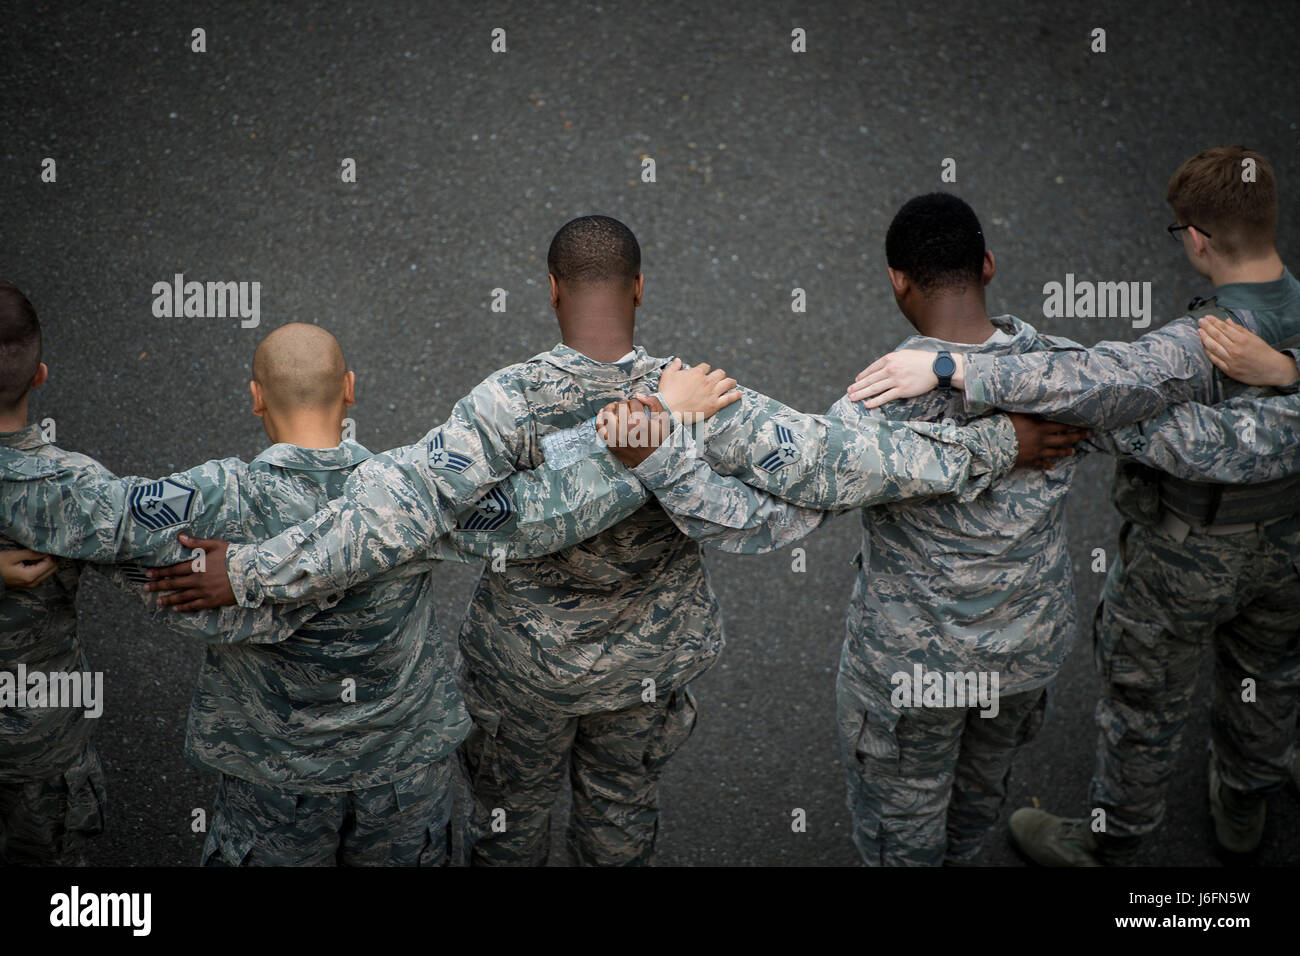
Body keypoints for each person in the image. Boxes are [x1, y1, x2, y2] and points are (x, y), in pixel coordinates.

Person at [147, 215, 1046, 865]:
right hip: (645, 676)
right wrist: (1004, 440)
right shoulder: (698, 394)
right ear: (641, 290)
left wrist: (251, 574)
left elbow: (404, 506)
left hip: (521, 677)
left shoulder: (504, 403)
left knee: (507, 827)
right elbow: (833, 464)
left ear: (549, 292)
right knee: (620, 826)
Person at [0, 316, 652, 865]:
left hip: (269, 780)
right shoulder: (409, 494)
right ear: (350, 389)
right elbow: (536, 511)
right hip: (400, 776)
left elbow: (83, 514)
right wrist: (625, 445)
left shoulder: (208, 499)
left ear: (256, 398)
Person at [848, 146, 1300, 863]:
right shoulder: (1278, 322)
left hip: (1173, 558)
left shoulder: (1204, 338)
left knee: (1143, 702)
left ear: (1196, 237)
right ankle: (1246, 796)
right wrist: (1289, 372)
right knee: (1268, 676)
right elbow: (1145, 410)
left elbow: (1111, 387)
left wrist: (954, 367)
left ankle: (1114, 843)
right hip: (1276, 556)